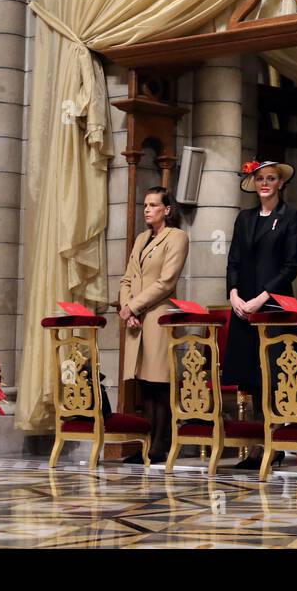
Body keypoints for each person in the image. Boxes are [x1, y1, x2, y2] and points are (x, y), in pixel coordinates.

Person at [224, 159, 297, 469]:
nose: (265, 183)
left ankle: (276, 441)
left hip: (272, 307)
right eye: (260, 179)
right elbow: (233, 260)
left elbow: (290, 266)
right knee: (251, 378)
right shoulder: (244, 218)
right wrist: (233, 293)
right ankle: (259, 445)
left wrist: (261, 298)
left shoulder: (291, 217)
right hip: (243, 306)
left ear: (281, 183)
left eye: (271, 178)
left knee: (271, 376)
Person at [119, 186, 190, 465]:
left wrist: (133, 306)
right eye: (145, 205)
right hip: (137, 319)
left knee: (160, 382)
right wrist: (128, 308)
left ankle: (161, 444)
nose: (147, 210)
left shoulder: (177, 237)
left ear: (167, 209)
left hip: (159, 316)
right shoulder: (141, 239)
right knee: (144, 384)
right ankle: (147, 444)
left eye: (153, 205)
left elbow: (166, 281)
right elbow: (127, 278)